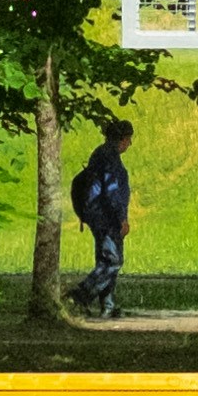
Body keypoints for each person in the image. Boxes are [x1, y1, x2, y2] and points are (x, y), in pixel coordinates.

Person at [66, 119, 134, 322]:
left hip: (98, 214)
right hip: (106, 217)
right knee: (113, 261)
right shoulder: (110, 158)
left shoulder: (101, 154)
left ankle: (108, 306)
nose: (129, 144)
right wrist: (121, 218)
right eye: (129, 139)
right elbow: (112, 193)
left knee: (105, 259)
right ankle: (80, 296)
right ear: (122, 139)